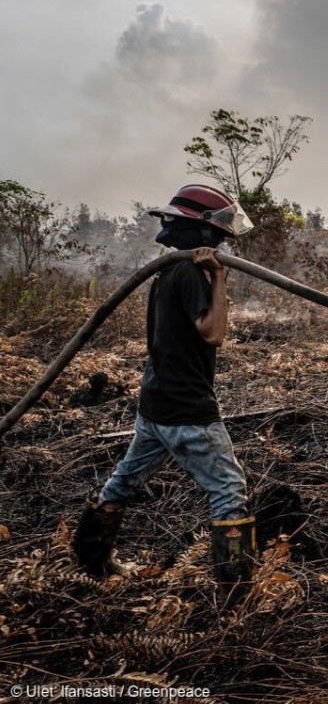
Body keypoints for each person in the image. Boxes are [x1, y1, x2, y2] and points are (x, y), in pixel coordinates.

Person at [72, 184, 256, 604]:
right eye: (220, 229)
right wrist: (219, 278)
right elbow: (213, 332)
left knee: (124, 480)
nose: (225, 238)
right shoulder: (188, 272)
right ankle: (238, 596)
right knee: (229, 489)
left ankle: (90, 562)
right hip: (187, 409)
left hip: (154, 404)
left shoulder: (166, 271)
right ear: (202, 230)